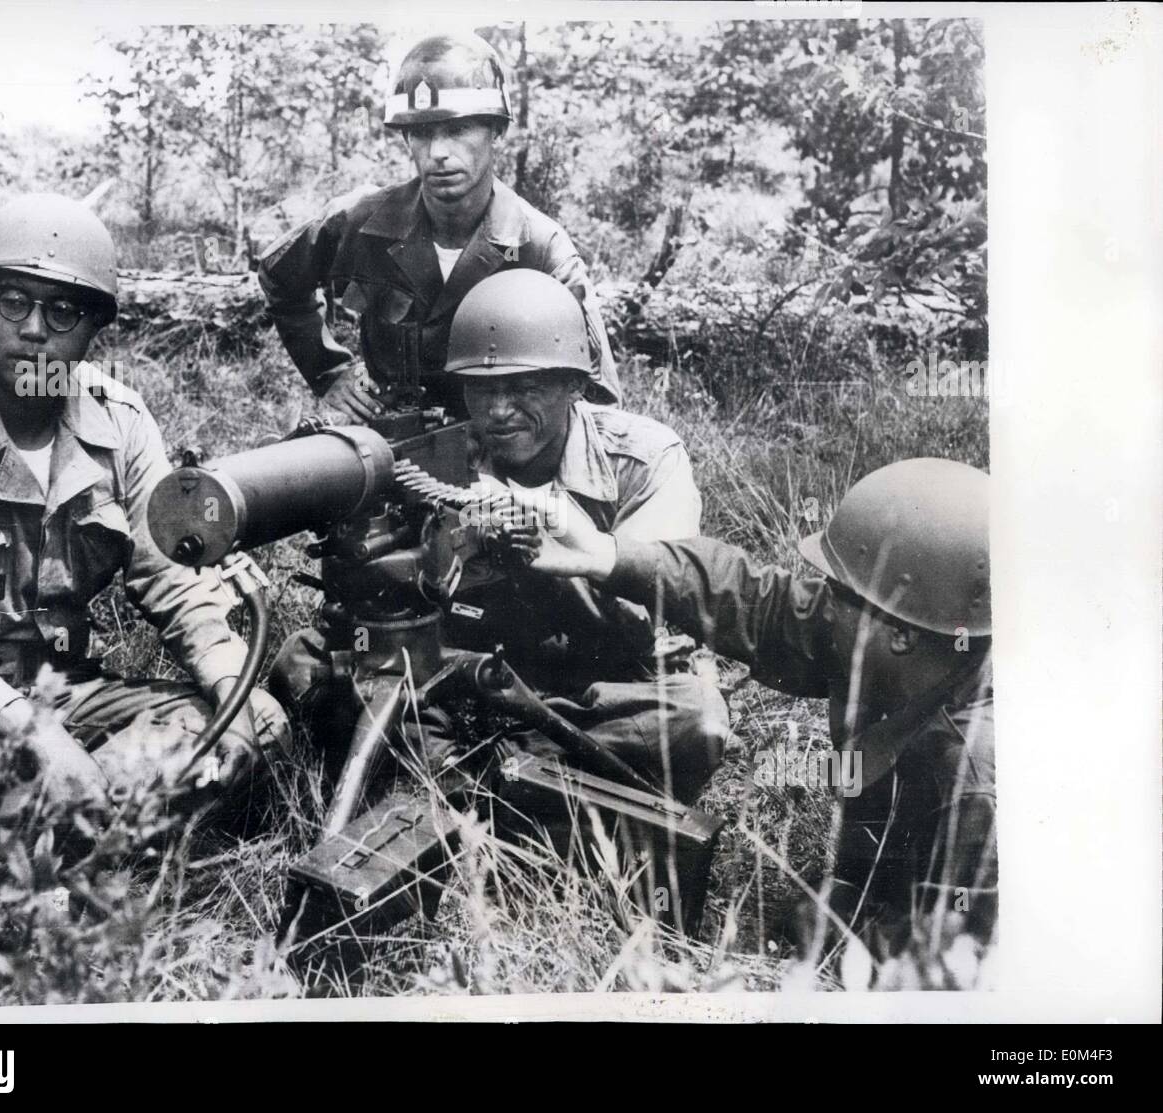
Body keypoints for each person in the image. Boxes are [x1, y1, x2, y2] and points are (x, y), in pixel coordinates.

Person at [0, 193, 290, 812]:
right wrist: (31, 732)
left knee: (253, 722)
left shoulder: (120, 423)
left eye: (64, 311)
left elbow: (177, 583)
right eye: (13, 300)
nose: (33, 329)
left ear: (95, 328)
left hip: (69, 693)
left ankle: (68, 821)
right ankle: (103, 823)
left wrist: (230, 686)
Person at [270, 270, 730, 804]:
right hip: (466, 660)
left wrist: (536, 546)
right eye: (481, 389)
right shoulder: (439, 454)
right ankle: (517, 781)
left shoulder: (645, 460)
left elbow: (645, 609)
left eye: (524, 387)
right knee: (303, 663)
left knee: (693, 719)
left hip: (599, 674)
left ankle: (463, 773)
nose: (499, 411)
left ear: (576, 384)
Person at [514, 456, 998, 947]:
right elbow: (754, 601)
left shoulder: (974, 779)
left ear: (897, 634)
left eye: (837, 592)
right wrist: (607, 555)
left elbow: (963, 957)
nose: (820, 602)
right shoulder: (917, 645)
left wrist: (855, 927)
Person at [257, 31, 621, 422]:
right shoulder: (362, 222)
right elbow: (279, 274)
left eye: (458, 130)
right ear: (406, 139)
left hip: (497, 444)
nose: (438, 153)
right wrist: (330, 373)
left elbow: (597, 392)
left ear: (497, 131)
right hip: (387, 435)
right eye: (422, 133)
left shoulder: (538, 245)